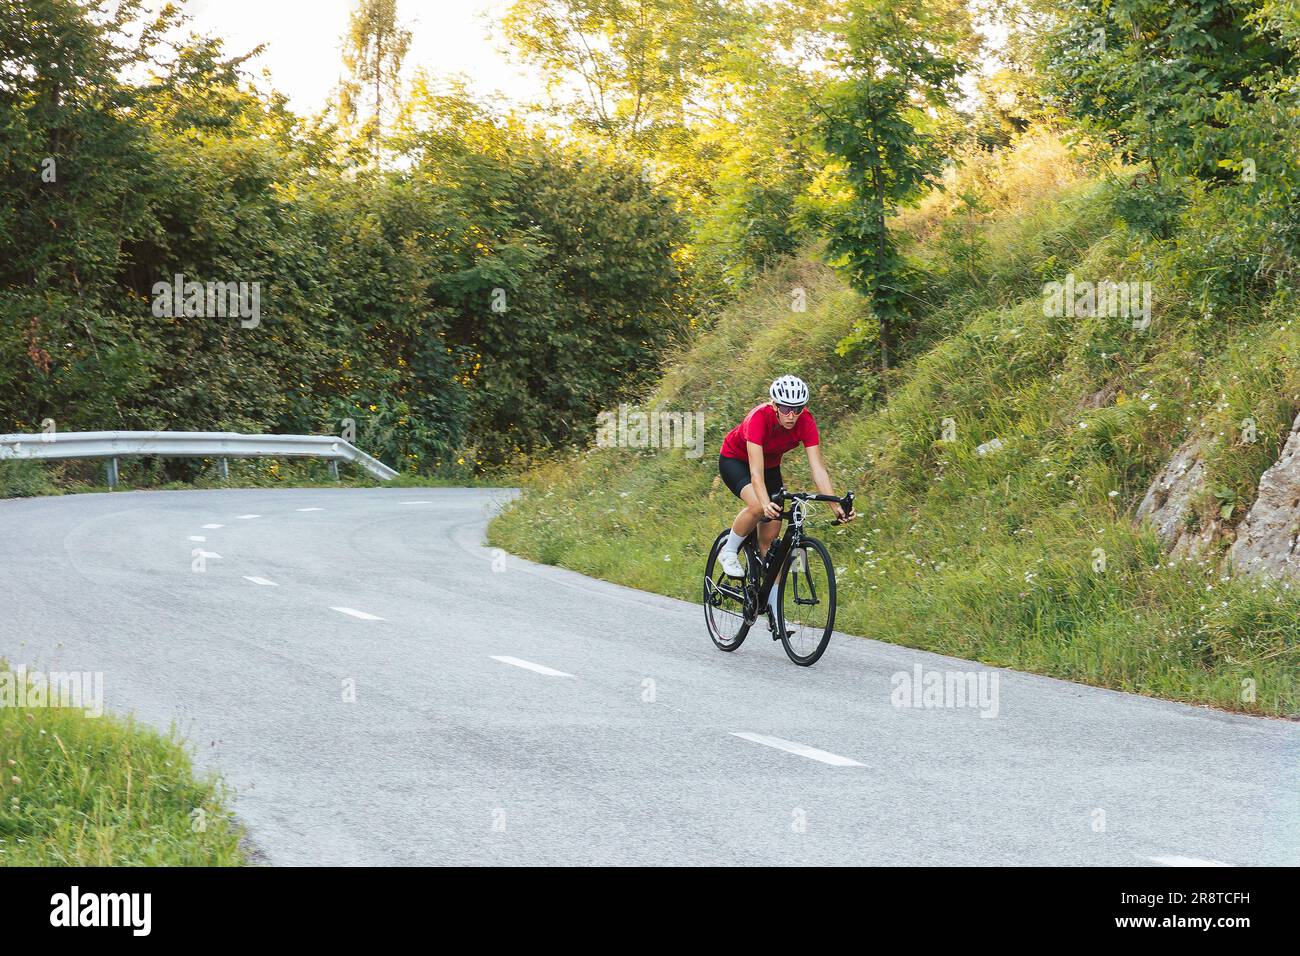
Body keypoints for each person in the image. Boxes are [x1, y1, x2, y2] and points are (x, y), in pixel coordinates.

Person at [716, 375, 854, 628]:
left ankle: (774, 613)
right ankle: (729, 551)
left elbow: (818, 469)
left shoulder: (806, 422)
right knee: (758, 506)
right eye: (786, 408)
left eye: (798, 409)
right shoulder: (759, 418)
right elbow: (755, 473)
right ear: (774, 405)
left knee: (772, 547)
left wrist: (835, 506)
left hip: (770, 468)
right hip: (736, 461)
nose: (792, 415)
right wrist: (765, 501)